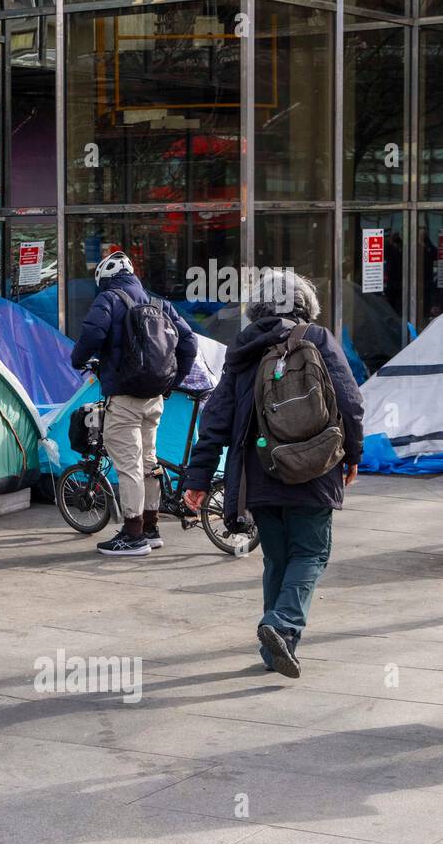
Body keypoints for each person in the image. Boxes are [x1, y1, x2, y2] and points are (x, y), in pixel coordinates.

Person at [183, 271, 363, 678]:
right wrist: (353, 453)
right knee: (311, 553)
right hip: (314, 469)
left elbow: (215, 419)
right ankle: (280, 625)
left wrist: (196, 479)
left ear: (258, 308)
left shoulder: (243, 349)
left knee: (278, 559)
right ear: (305, 306)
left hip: (260, 473)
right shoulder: (316, 339)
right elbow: (350, 402)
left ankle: (276, 652)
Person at [70, 250, 198, 557]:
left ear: (105, 278)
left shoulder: (110, 299)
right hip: (155, 397)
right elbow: (190, 342)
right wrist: (172, 381)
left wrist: (79, 359)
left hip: (124, 396)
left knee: (128, 465)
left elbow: (92, 333)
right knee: (148, 462)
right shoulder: (160, 304)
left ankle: (132, 533)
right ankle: (151, 529)